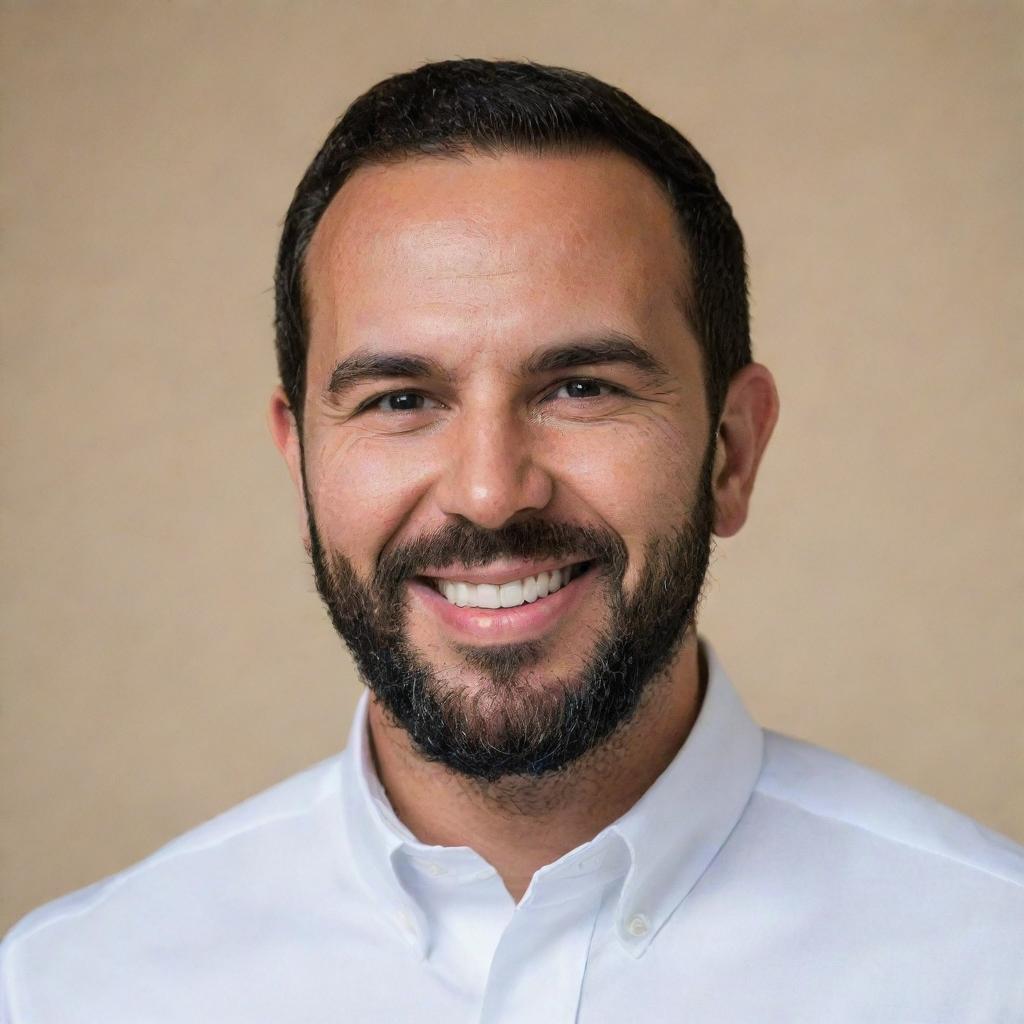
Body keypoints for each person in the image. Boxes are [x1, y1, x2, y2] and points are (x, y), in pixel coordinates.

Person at [2, 58, 1021, 1023]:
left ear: (731, 452)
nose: (491, 492)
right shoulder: (70, 990)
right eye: (401, 398)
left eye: (581, 387)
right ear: (299, 463)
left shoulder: (988, 962)